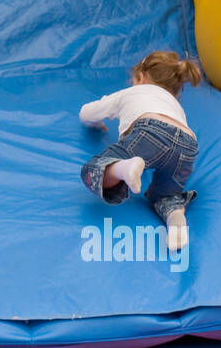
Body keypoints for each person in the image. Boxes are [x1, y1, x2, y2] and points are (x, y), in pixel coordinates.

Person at [78, 50, 202, 252]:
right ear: (175, 90)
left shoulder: (131, 92)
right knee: (164, 196)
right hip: (188, 145)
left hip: (149, 132)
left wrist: (96, 122)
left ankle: (123, 167)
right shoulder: (174, 104)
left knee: (92, 170)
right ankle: (176, 217)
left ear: (141, 77)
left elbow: (87, 113)